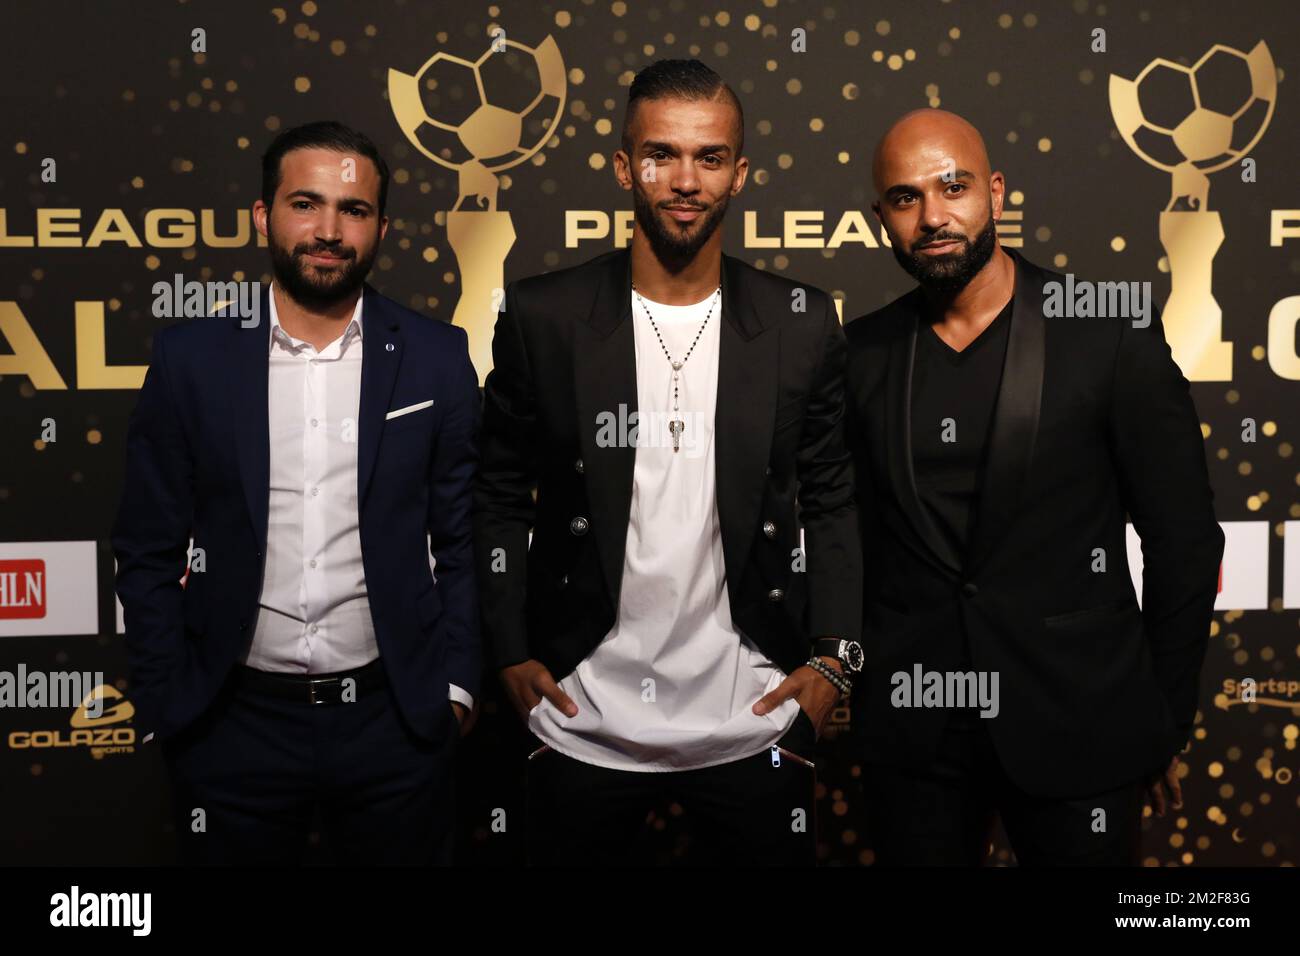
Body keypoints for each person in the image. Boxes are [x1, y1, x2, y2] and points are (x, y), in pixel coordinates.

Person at [473, 59, 864, 865]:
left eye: (710, 157)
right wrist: (508, 648)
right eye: (661, 155)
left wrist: (834, 659)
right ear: (624, 167)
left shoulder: (799, 323)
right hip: (581, 714)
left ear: (739, 173)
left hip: (751, 710)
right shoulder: (543, 317)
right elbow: (499, 493)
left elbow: (832, 501)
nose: (685, 180)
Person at [844, 108, 1224, 865]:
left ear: (996, 191)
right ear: (879, 218)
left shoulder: (1107, 333)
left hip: (1081, 724)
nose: (933, 216)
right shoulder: (860, 352)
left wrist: (1160, 723)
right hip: (916, 736)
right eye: (906, 197)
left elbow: (1185, 543)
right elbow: (841, 537)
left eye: (953, 187)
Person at [112, 121, 481, 865]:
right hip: (231, 723)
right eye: (306, 204)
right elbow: (146, 545)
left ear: (381, 226)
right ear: (262, 216)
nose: (328, 231)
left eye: (352, 210)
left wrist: (456, 688)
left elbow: (465, 538)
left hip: (395, 721)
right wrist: (166, 700)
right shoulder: (191, 358)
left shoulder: (436, 358)